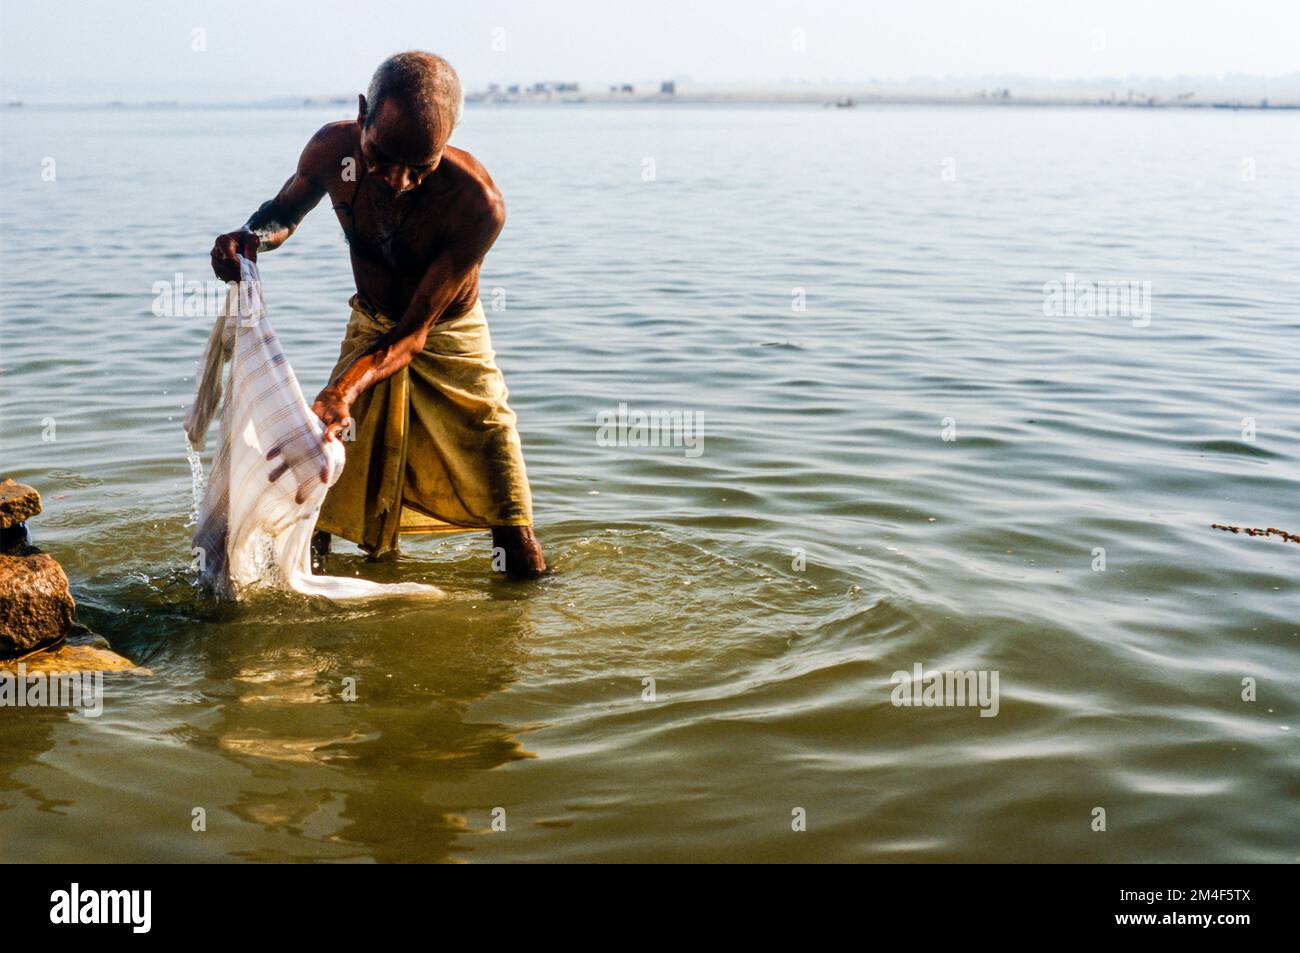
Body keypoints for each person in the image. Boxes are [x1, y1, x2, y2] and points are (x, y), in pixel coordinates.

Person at [210, 51, 546, 579]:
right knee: (315, 472)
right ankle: (297, 593)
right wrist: (251, 238)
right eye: (383, 156)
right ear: (363, 113)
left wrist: (344, 388)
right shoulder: (329, 150)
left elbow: (413, 336)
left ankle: (524, 611)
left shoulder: (476, 204)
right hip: (369, 325)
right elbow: (284, 213)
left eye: (420, 168)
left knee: (506, 501)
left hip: (447, 338)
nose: (398, 180)